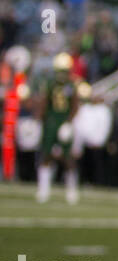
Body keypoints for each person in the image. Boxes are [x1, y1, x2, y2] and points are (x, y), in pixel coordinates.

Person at [34, 52, 80, 204]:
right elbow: (44, 103)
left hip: (64, 121)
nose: (61, 74)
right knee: (46, 155)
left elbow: (75, 106)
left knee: (67, 157)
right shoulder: (50, 83)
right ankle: (43, 189)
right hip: (50, 123)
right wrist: (38, 121)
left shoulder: (72, 85)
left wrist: (68, 123)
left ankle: (72, 190)